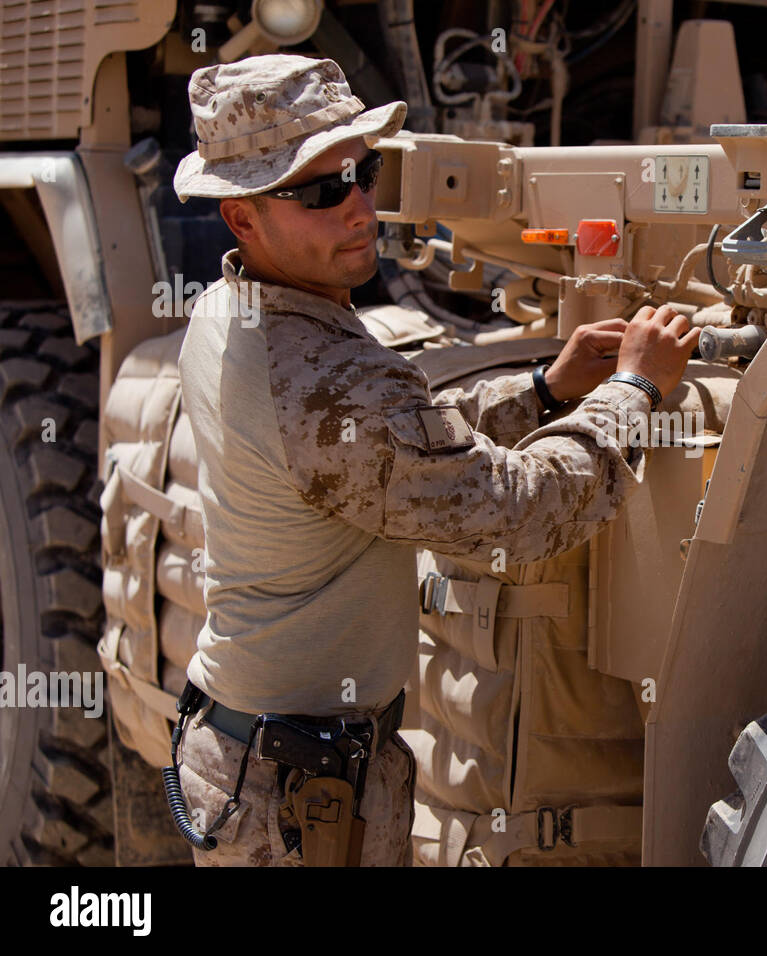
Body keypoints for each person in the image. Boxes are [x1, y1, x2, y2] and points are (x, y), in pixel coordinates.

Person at [169, 54, 698, 866]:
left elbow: (393, 447)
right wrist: (635, 390)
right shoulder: (326, 378)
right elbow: (518, 513)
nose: (358, 209)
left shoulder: (228, 308)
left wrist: (544, 389)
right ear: (242, 218)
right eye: (321, 191)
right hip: (294, 798)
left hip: (268, 760)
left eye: (364, 173)